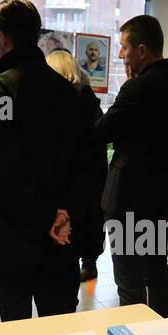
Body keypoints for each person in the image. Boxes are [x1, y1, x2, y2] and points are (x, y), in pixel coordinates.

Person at [0, 0, 84, 321]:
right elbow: (79, 164)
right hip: (59, 233)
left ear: (3, 38)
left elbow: (6, 172)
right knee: (57, 326)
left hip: (13, 233)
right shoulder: (66, 91)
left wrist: (45, 216)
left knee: (15, 324)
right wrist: (59, 217)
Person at [92, 15, 168, 317]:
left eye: (124, 47)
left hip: (128, 200)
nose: (121, 54)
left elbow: (101, 132)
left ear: (142, 49)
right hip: (162, 197)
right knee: (156, 270)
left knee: (129, 280)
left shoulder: (138, 88)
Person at [45, 49, 106, 282]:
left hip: (66, 198)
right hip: (88, 194)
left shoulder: (62, 107)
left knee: (61, 268)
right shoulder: (91, 104)